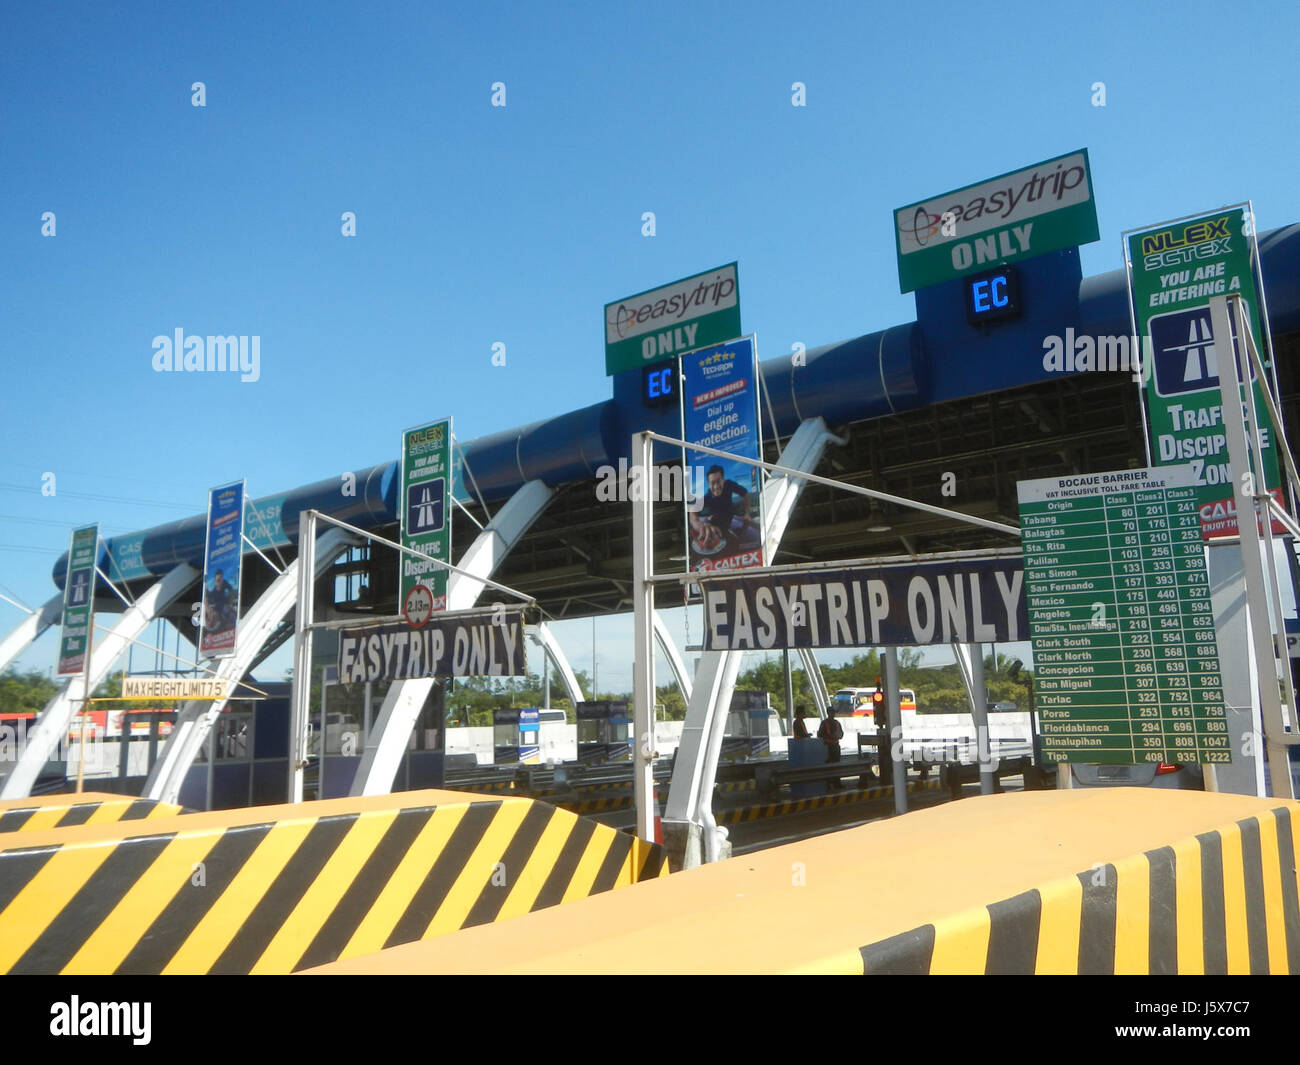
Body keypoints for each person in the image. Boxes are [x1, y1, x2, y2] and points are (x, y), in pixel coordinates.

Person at [690, 465, 757, 548]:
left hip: (729, 519)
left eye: (718, 481)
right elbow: (693, 509)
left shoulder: (729, 485)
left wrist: (747, 513)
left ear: (723, 479)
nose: (716, 486)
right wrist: (696, 523)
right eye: (712, 483)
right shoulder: (708, 497)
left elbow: (746, 494)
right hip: (716, 524)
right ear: (708, 483)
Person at [817, 703, 844, 789]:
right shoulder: (824, 723)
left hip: (836, 746)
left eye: (834, 712)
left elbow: (842, 733)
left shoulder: (837, 723)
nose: (833, 714)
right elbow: (820, 735)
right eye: (831, 712)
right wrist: (830, 737)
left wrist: (838, 735)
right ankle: (828, 784)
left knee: (837, 765)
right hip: (827, 747)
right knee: (828, 766)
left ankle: (837, 783)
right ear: (828, 713)